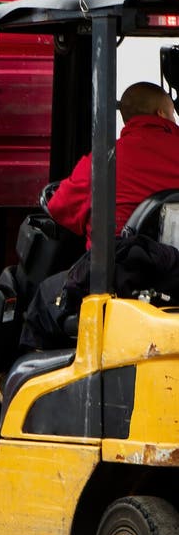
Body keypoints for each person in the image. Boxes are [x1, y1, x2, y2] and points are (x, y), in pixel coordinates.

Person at [20, 81, 179, 351]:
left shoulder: (104, 160)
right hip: (174, 278)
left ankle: (14, 382)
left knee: (43, 302)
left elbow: (60, 208)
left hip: (124, 283)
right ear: (161, 115)